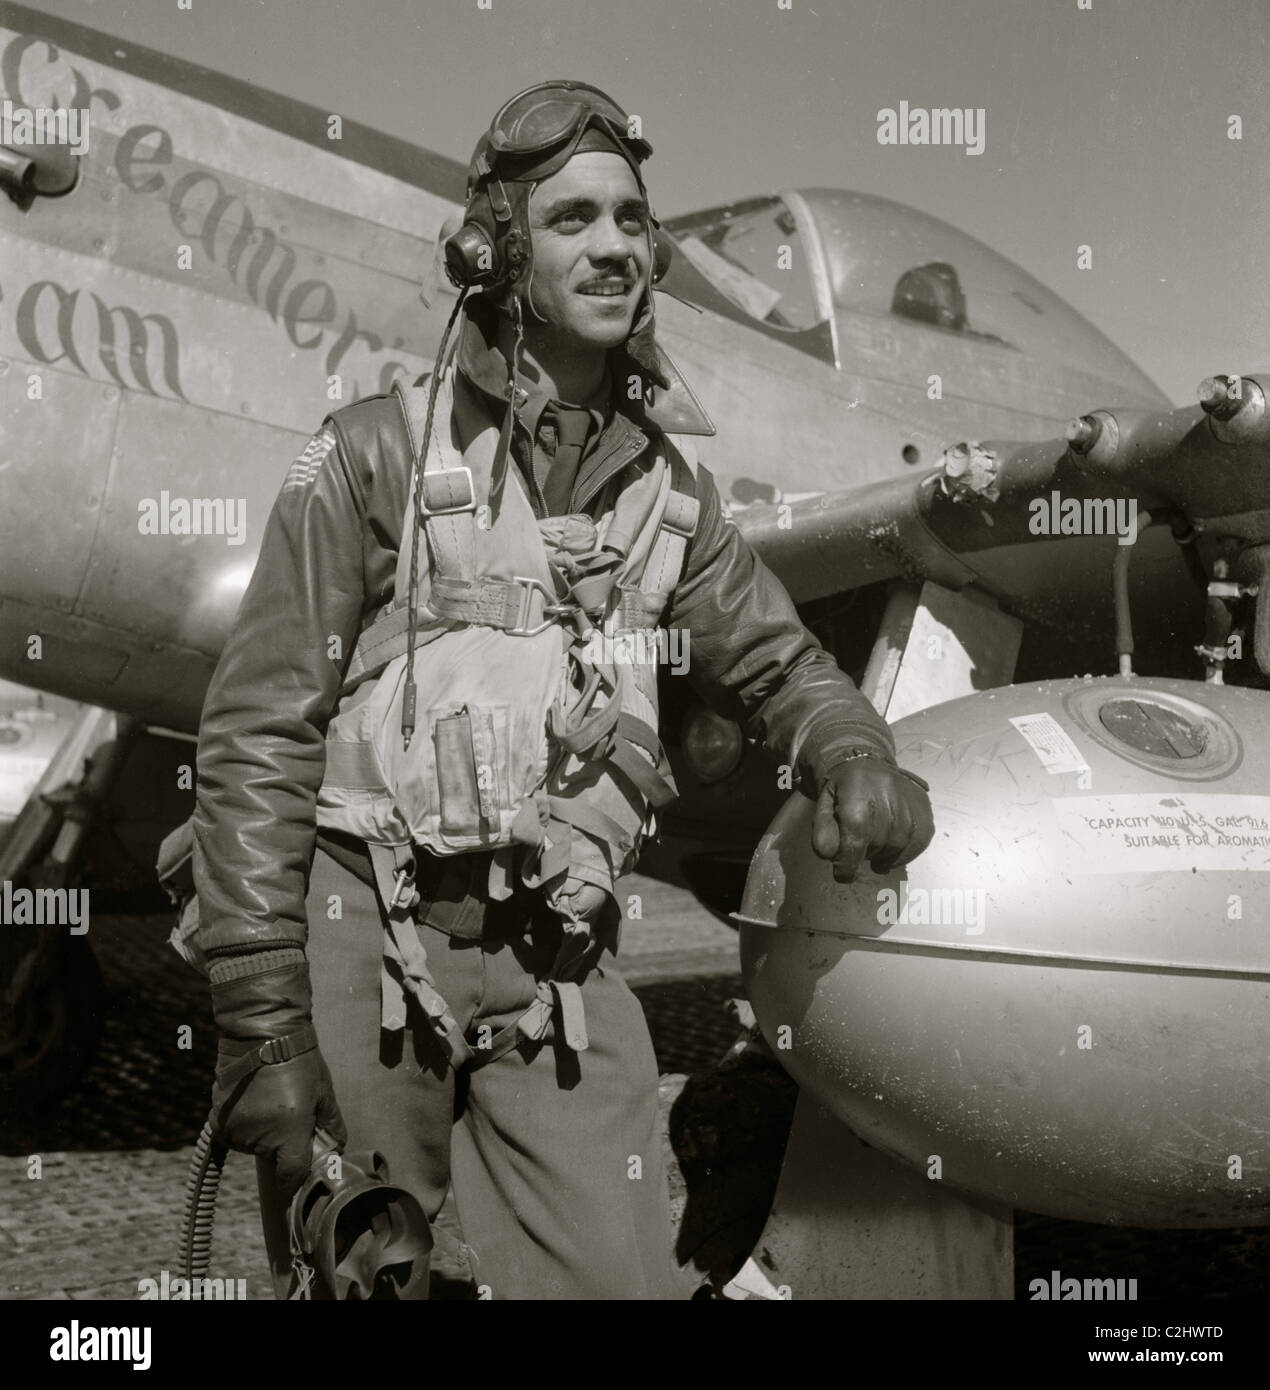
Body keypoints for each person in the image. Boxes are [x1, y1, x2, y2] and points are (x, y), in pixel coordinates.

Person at [191, 80, 934, 1300]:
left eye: (633, 222)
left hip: (556, 956)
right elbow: (257, 732)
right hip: (367, 935)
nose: (615, 247)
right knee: (368, 1282)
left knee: (619, 1274)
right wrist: (257, 1014)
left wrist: (851, 745)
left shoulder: (671, 496)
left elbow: (780, 659)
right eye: (573, 218)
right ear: (494, 252)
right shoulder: (371, 452)